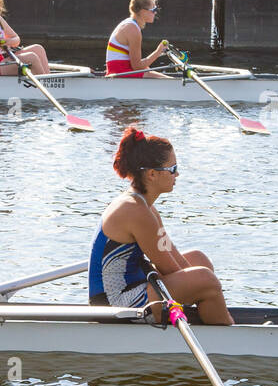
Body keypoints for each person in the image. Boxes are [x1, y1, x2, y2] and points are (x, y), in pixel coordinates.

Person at [89, 126, 232, 325]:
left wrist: (194, 281)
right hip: (115, 305)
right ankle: (227, 332)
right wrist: (200, 285)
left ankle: (209, 321)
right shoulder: (135, 211)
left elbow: (175, 259)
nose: (177, 174)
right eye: (172, 169)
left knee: (199, 261)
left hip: (136, 284)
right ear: (152, 174)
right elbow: (171, 269)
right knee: (206, 280)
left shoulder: (144, 206)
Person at [105, 0, 170, 78]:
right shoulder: (132, 29)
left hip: (120, 70)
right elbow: (137, 66)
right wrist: (158, 51)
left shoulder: (130, 24)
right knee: (166, 79)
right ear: (142, 11)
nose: (155, 13)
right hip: (119, 73)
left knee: (151, 71)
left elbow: (137, 66)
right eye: (153, 10)